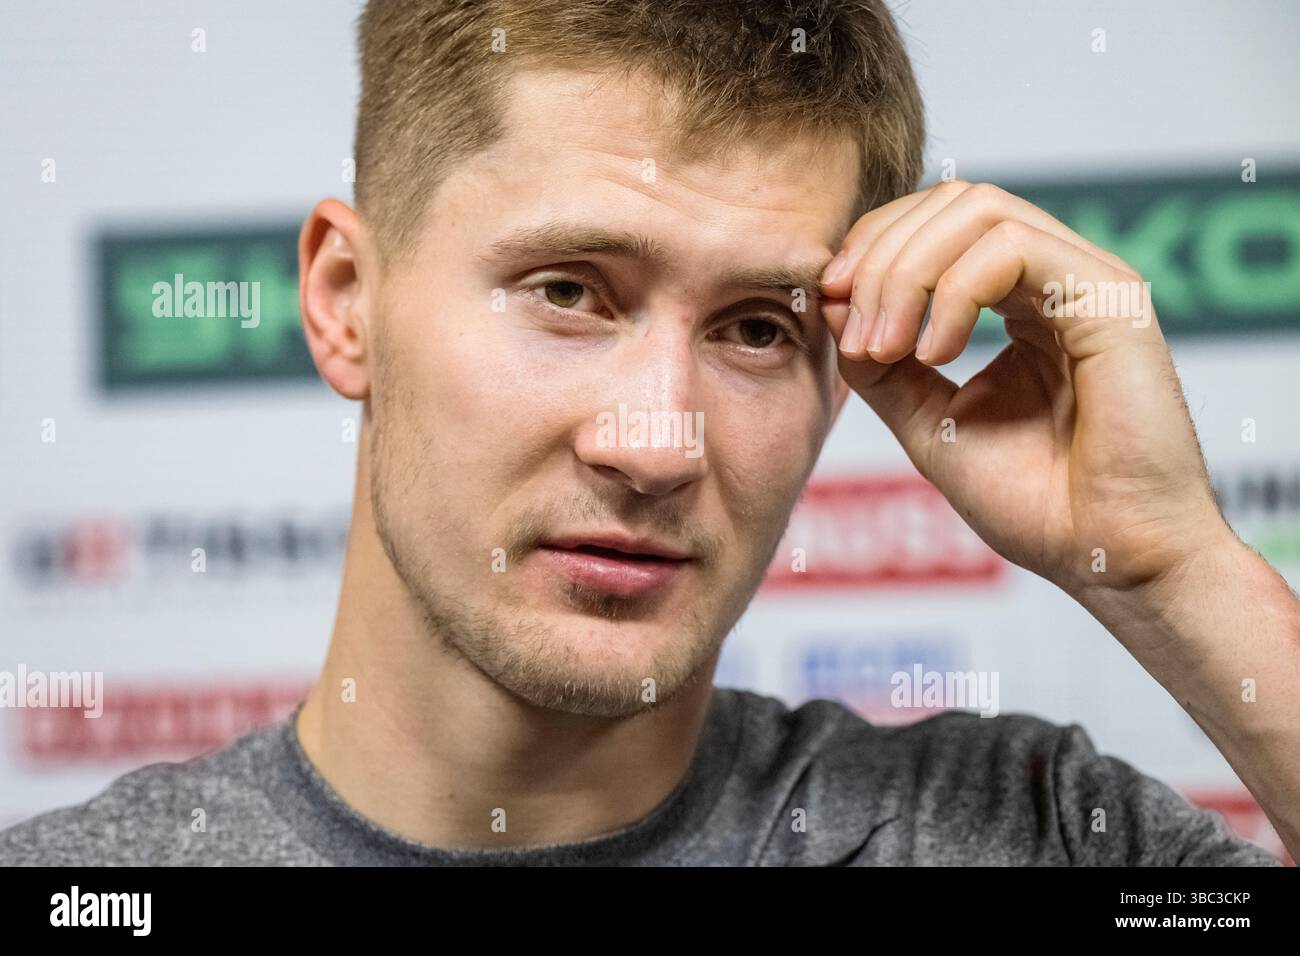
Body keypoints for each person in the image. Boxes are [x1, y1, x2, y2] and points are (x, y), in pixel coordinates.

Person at [2, 0, 1295, 866]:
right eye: (570, 291)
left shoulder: (1016, 838)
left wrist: (1178, 569)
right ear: (348, 304)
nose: (657, 442)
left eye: (754, 329)